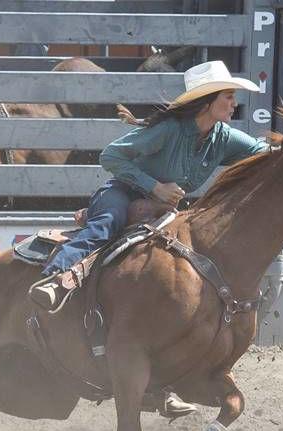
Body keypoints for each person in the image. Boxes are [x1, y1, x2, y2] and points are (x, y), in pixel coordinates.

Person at [30, 60, 268, 309]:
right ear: (208, 100)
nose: (234, 103)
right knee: (105, 226)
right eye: (229, 97)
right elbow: (110, 155)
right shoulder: (168, 130)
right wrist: (156, 187)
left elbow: (265, 152)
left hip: (162, 209)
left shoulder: (223, 137)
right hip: (121, 194)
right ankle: (51, 279)